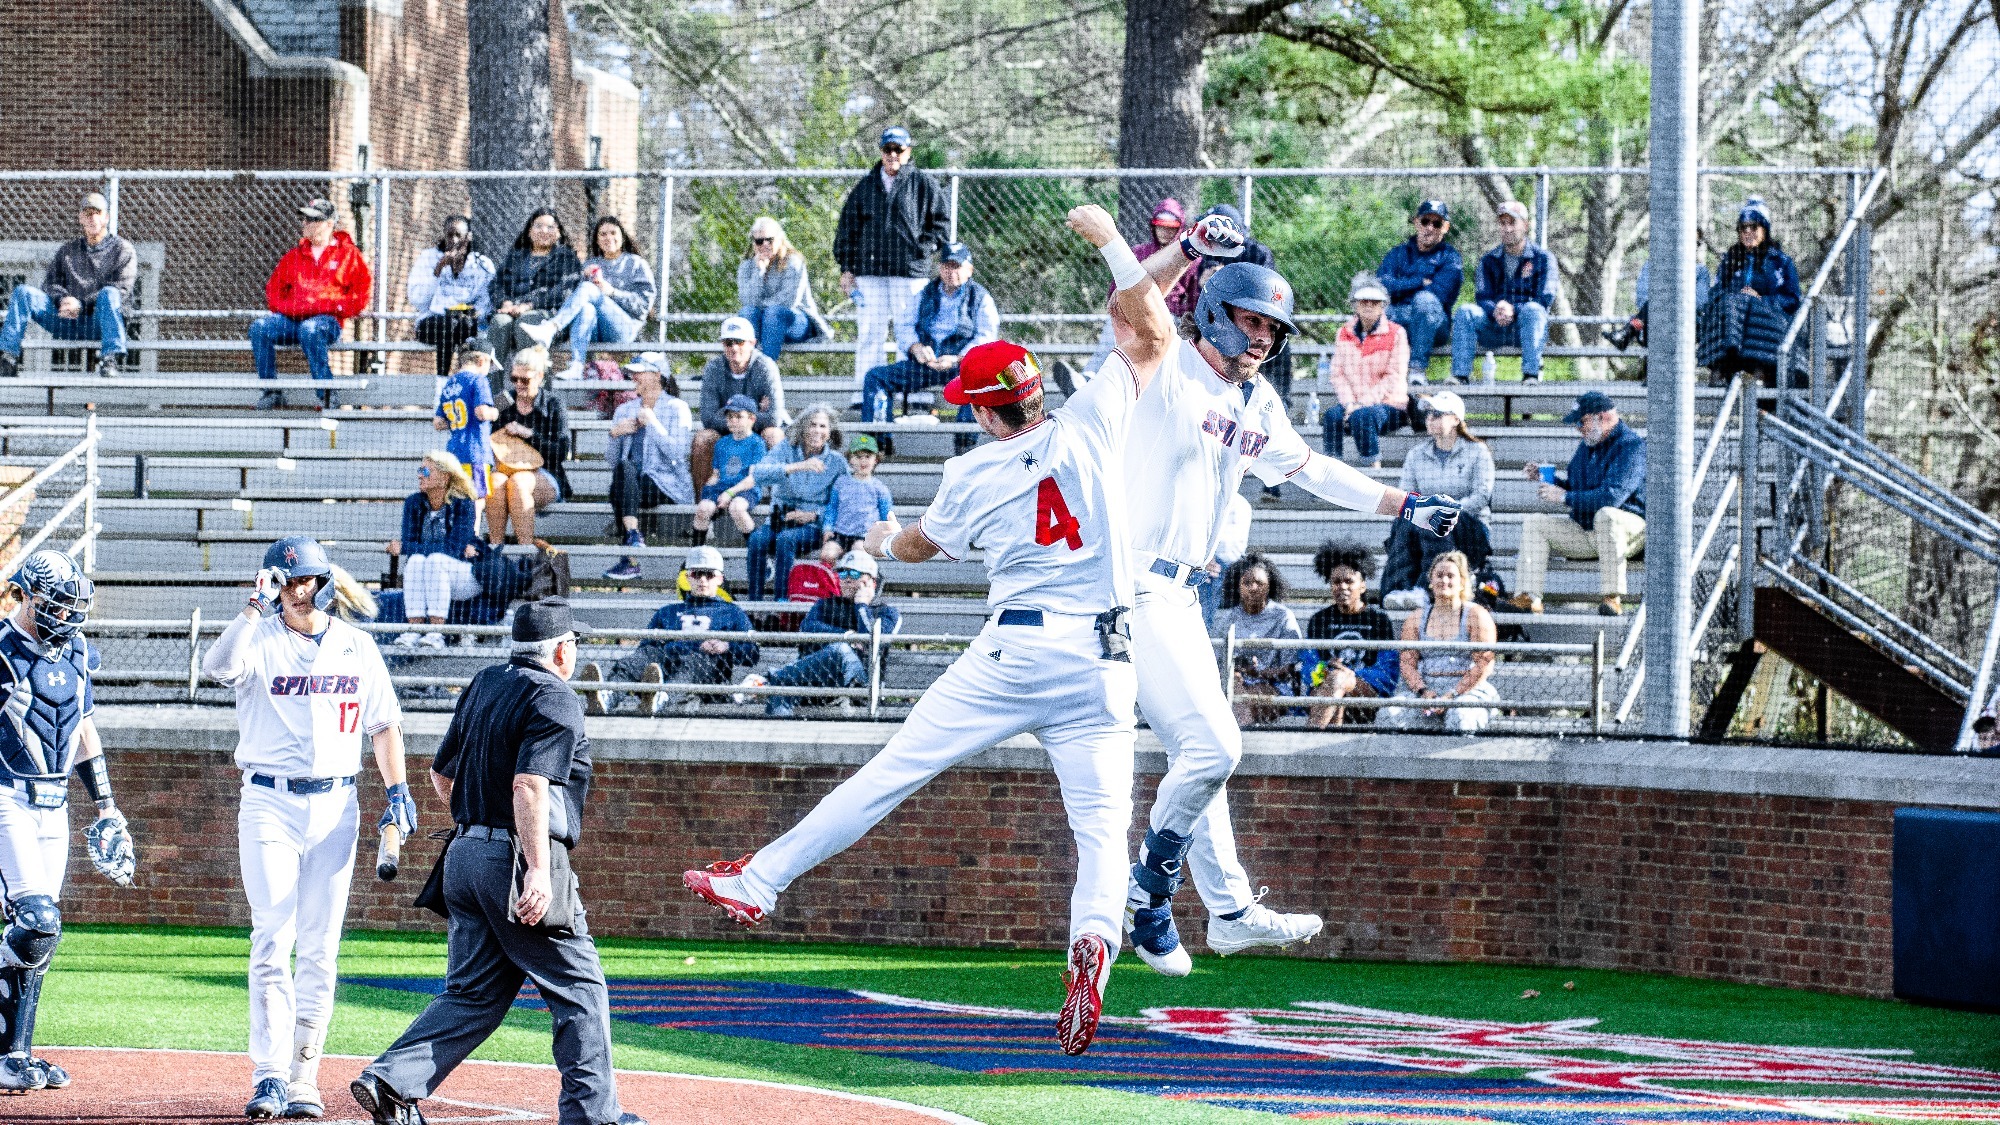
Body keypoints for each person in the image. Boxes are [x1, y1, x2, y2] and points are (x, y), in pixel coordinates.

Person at [684, 204, 1180, 1059]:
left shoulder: (973, 468)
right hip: (1107, 657)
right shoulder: (1093, 415)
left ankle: (761, 881)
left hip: (1017, 649)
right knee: (1103, 831)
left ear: (989, 411)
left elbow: (916, 546)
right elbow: (1154, 333)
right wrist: (1113, 243)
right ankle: (1092, 938)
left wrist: (877, 538)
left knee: (891, 771)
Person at [1110, 226, 1462, 977]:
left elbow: (1316, 472)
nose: (1263, 336)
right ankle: (1146, 891)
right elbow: (1128, 297)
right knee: (1214, 748)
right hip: (1127, 584)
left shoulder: (1258, 398)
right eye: (1251, 320)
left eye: (1273, 327)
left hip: (1182, 594)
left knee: (1200, 756)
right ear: (1211, 312)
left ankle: (1230, 910)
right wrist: (1192, 251)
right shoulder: (1166, 363)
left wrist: (1404, 503)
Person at [352, 599, 646, 1125]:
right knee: (579, 990)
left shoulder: (485, 681)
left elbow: (442, 775)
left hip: (463, 855)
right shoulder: (555, 697)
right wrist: (534, 868)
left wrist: (478, 825)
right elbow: (530, 785)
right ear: (560, 649)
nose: (575, 651)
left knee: (474, 993)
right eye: (574, 642)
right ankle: (593, 1117)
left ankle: (393, 1081)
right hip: (514, 860)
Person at [200, 537, 412, 1121]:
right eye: (285, 581)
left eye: (307, 580)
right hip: (269, 800)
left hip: (337, 805)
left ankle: (302, 1074)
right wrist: (252, 605)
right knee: (273, 936)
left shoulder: (355, 646)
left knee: (320, 947)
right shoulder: (259, 637)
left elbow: (385, 725)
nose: (297, 591)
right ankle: (267, 1075)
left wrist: (397, 790)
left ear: (325, 582)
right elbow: (215, 669)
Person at [0, 552, 135, 1093]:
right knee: (34, 921)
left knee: (42, 932)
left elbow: (81, 729)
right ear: (27, 595)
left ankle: (15, 1056)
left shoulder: (77, 652)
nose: (66, 617)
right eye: (56, 605)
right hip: (6, 796)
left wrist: (107, 804)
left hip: (55, 804)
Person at [833, 126, 952, 390]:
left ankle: (910, 395)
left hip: (908, 272)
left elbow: (941, 223)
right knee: (870, 333)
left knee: (909, 334)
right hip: (870, 271)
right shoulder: (866, 185)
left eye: (898, 149)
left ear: (908, 152)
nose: (892, 155)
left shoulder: (922, 183)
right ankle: (866, 393)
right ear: (881, 151)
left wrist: (923, 247)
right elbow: (847, 229)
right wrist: (847, 267)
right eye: (888, 149)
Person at [579, 547, 755, 717]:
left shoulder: (733, 612)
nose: (702, 580)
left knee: (696, 660)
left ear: (720, 579)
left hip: (709, 672)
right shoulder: (668, 611)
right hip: (671, 664)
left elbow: (752, 653)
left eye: (708, 575)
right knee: (644, 655)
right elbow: (645, 649)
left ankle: (660, 698)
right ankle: (608, 697)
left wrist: (727, 646)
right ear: (688, 577)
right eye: (696, 574)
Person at [1514, 391, 1646, 616]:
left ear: (1602, 417)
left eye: (1581, 421)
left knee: (1607, 514)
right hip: (1589, 531)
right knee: (1534, 523)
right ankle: (1530, 596)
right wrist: (1549, 480)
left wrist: (1564, 497)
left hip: (1628, 534)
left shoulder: (1632, 446)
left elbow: (1611, 497)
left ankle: (1612, 597)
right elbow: (1576, 489)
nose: (1577, 427)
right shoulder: (1587, 445)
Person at [737, 549, 901, 718]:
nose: (847, 579)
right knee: (783, 690)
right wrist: (848, 635)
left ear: (872, 582)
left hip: (860, 683)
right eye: (843, 573)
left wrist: (861, 606)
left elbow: (872, 642)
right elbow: (807, 628)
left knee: (840, 651)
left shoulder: (886, 612)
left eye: (854, 573)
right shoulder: (826, 605)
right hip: (817, 680)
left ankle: (768, 681)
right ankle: (777, 736)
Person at [252, 198, 372, 411]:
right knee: (260, 328)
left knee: (311, 329)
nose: (305, 223)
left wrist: (334, 307)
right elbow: (273, 291)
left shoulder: (348, 254)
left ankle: (326, 394)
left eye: (312, 219)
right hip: (292, 320)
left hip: (326, 322)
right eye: (305, 218)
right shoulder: (294, 256)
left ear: (328, 224)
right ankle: (271, 391)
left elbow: (360, 294)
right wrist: (293, 308)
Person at [0, 192, 135, 381]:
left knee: (110, 293)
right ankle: (8, 358)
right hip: (66, 319)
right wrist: (63, 299)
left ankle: (110, 358)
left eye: (97, 213)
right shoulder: (68, 250)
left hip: (98, 324)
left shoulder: (122, 249)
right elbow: (50, 284)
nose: (92, 218)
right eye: (87, 213)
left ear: (106, 217)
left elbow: (122, 290)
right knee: (23, 293)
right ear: (80, 218)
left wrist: (81, 304)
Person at [858, 241, 1000, 423]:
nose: (951, 272)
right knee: (875, 377)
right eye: (947, 266)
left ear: (969, 270)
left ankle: (965, 444)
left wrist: (957, 358)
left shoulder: (981, 298)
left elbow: (986, 336)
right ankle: (877, 444)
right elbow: (904, 325)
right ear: (940, 268)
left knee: (979, 380)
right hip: (924, 364)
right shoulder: (924, 293)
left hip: (960, 367)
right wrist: (916, 347)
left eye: (957, 266)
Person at [1381, 390, 1494, 608]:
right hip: (1426, 524)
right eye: (1428, 414)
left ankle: (1423, 590)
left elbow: (1481, 496)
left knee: (1430, 517)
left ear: (1456, 419)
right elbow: (1406, 497)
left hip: (1470, 528)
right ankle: (1397, 590)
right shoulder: (1415, 455)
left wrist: (1444, 510)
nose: (1429, 419)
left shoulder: (1478, 452)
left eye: (1437, 414)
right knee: (1406, 519)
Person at [523, 216, 656, 380]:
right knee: (586, 308)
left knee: (588, 288)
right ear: (597, 240)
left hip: (624, 328)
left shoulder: (636, 263)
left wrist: (612, 292)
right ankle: (577, 366)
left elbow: (643, 306)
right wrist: (581, 277)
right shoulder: (591, 264)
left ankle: (551, 328)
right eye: (603, 234)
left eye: (613, 233)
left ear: (622, 236)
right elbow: (572, 298)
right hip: (593, 329)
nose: (608, 238)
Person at [1380, 551, 1500, 732]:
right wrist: (1423, 692)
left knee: (1459, 717)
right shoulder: (1416, 618)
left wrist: (1452, 694)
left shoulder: (1476, 615)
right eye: (1439, 575)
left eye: (1450, 576)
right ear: (1430, 581)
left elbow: (1483, 664)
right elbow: (1407, 663)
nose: (1444, 581)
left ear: (1462, 582)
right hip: (1426, 689)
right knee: (1388, 714)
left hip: (1468, 691)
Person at [602, 357, 695, 581]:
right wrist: (615, 434)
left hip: (665, 484)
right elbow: (612, 461)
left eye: (639, 372)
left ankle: (629, 559)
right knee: (623, 470)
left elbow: (678, 454)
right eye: (632, 373)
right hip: (630, 484)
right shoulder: (625, 410)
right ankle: (633, 535)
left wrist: (652, 423)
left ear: (656, 376)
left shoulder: (677, 407)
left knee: (620, 486)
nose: (633, 377)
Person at [1080, 197, 1192, 379]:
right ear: (1153, 226)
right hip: (1133, 310)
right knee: (1113, 326)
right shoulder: (1139, 252)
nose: (1164, 231)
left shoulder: (1186, 257)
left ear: (1179, 228)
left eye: (1170, 228)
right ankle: (1090, 377)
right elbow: (1117, 287)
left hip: (1167, 314)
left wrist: (1177, 311)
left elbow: (1192, 298)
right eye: (1160, 226)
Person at [744, 405, 847, 601]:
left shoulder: (837, 463)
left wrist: (814, 515)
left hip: (813, 525)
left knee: (786, 539)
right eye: (812, 425)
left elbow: (844, 504)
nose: (817, 430)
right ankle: (754, 603)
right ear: (802, 428)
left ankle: (782, 602)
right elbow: (757, 473)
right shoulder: (785, 449)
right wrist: (798, 466)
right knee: (757, 539)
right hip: (779, 518)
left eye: (822, 426)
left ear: (829, 432)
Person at [1450, 201, 1557, 385]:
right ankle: (1459, 376)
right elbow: (1482, 296)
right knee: (1466, 311)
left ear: (1525, 225)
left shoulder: (1543, 259)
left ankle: (1531, 375)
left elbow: (1545, 298)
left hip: (1525, 329)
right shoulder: (1489, 260)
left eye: (1512, 223)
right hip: (1494, 326)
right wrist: (1496, 308)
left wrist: (1513, 309)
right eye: (1502, 223)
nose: (1507, 229)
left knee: (1533, 309)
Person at [1698, 197, 1803, 384]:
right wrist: (1737, 298)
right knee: (1730, 304)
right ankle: (1725, 364)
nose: (1747, 232)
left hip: (1768, 323)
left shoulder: (1780, 262)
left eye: (1753, 227)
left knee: (1744, 305)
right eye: (1742, 228)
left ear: (1764, 229)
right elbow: (1715, 293)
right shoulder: (1730, 260)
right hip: (1733, 320)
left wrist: (1760, 299)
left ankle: (1756, 369)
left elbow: (1792, 299)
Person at [387, 452, 483, 648]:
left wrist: (406, 547)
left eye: (425, 470)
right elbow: (410, 541)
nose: (420, 475)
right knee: (415, 560)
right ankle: (413, 630)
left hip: (464, 575)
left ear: (445, 476)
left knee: (434, 559)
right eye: (419, 470)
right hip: (428, 573)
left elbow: (453, 549)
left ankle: (436, 632)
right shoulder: (413, 503)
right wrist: (410, 547)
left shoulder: (464, 503)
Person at [1304, 542, 1400, 728]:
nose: (1342, 587)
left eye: (1349, 581)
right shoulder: (1319, 620)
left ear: (1362, 586)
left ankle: (1310, 736)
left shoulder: (1378, 620)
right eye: (1336, 582)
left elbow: (1387, 672)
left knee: (1338, 680)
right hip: (1326, 688)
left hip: (1366, 693)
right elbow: (1309, 667)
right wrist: (1324, 670)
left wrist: (1350, 674)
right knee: (1336, 690)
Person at [1322, 271, 1409, 469]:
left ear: (1383, 305)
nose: (1369, 305)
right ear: (1355, 304)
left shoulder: (1397, 333)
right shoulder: (1343, 333)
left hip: (1390, 404)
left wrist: (1361, 404)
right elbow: (1338, 374)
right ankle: (1331, 473)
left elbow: (1393, 376)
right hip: (1353, 403)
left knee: (1363, 417)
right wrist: (1350, 403)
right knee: (1331, 416)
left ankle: (1374, 473)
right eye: (1363, 301)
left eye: (1374, 301)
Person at [487, 348, 572, 547]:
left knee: (519, 482)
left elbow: (562, 451)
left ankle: (525, 551)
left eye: (524, 380)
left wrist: (530, 435)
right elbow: (484, 430)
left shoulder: (553, 403)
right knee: (495, 482)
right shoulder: (503, 399)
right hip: (504, 468)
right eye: (514, 378)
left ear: (540, 376)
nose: (518, 385)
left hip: (546, 472)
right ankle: (495, 547)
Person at [689, 317, 786, 492]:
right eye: (728, 342)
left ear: (752, 343)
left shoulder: (766, 367)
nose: (734, 348)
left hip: (756, 432)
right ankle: (704, 507)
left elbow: (773, 417)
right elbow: (708, 418)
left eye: (740, 342)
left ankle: (777, 507)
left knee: (774, 435)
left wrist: (727, 414)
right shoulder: (713, 368)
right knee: (703, 438)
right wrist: (752, 412)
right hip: (728, 432)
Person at [1211, 553, 1304, 728]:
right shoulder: (1229, 619)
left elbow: (1292, 668)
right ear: (1238, 586)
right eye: (1247, 583)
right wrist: (1239, 669)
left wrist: (1258, 673)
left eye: (1259, 583)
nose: (1253, 588)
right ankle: (1241, 729)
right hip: (1235, 683)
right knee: (1233, 684)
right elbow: (1216, 663)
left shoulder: (1283, 617)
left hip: (1274, 687)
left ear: (1269, 586)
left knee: (1237, 692)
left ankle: (1239, 733)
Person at [1376, 199, 1462, 385]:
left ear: (1445, 227)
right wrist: (1418, 282)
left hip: (1434, 325)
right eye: (1425, 221)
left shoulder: (1450, 258)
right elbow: (1381, 287)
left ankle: (1416, 371)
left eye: (1437, 223)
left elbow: (1439, 293)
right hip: (1399, 317)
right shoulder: (1398, 253)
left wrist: (1400, 288)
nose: (1429, 228)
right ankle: (1375, 374)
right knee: (1373, 310)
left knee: (1424, 301)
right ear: (1416, 222)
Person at [486, 209, 583, 371]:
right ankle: (492, 391)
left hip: (549, 315)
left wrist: (528, 305)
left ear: (558, 233)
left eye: (550, 227)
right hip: (511, 312)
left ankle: (536, 389)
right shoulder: (515, 257)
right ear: (529, 231)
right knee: (499, 322)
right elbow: (496, 284)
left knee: (526, 323)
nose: (544, 231)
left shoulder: (566, 258)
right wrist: (505, 302)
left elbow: (564, 291)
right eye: (538, 226)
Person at [406, 215, 496, 379]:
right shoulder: (428, 258)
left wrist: (474, 313)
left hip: (466, 325)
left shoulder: (481, 264)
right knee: (447, 325)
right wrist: (438, 271)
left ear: (468, 237)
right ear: (443, 234)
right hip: (432, 323)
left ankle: (465, 381)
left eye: (458, 235)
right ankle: (441, 381)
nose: (453, 240)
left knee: (461, 326)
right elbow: (418, 300)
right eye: (449, 235)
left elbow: (486, 301)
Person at [736, 216, 825, 360]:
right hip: (766, 323)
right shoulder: (747, 266)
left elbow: (788, 301)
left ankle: (765, 371)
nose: (764, 244)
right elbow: (747, 301)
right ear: (753, 243)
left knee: (773, 313)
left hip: (796, 322)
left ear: (779, 239)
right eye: (759, 241)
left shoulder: (794, 262)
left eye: (769, 240)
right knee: (747, 312)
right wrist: (759, 272)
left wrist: (763, 310)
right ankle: (744, 370)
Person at [692, 394, 766, 547]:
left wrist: (730, 493)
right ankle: (695, 554)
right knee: (703, 509)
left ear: (752, 419)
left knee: (737, 507)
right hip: (722, 487)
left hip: (746, 488)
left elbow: (753, 479)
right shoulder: (722, 443)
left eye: (739, 416)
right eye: (729, 416)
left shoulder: (757, 444)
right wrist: (708, 493)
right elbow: (716, 474)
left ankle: (758, 552)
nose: (733, 420)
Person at [433, 340, 499, 501]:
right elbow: (482, 412)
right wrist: (495, 412)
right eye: (489, 365)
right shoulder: (479, 380)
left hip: (454, 452)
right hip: (476, 452)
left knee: (458, 499)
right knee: (477, 499)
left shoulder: (449, 384)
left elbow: (438, 423)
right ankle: (473, 528)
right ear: (482, 361)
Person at [1603, 257, 1712, 352]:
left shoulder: (1700, 271)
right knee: (1652, 305)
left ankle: (1627, 332)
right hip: (1655, 324)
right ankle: (1628, 332)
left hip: (1685, 325)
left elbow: (1699, 304)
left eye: (1696, 243)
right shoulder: (1652, 266)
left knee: (1654, 305)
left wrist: (1670, 299)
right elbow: (1642, 300)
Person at [821, 434, 894, 552]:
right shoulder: (840, 483)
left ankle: (858, 570)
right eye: (858, 457)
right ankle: (831, 571)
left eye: (868, 456)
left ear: (876, 460)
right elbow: (832, 508)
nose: (863, 461)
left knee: (858, 551)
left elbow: (886, 514)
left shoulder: (880, 488)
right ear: (850, 459)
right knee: (828, 553)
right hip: (840, 532)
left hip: (865, 534)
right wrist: (828, 528)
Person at [1198, 492, 1250, 629]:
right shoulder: (1202, 498)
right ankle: (1203, 629)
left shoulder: (1241, 504)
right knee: (1207, 573)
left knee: (1211, 573)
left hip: (1232, 567)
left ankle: (1204, 629)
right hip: (1207, 563)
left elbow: (1231, 546)